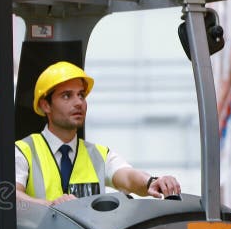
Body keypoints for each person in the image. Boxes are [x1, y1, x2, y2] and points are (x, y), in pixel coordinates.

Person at [15, 61, 181, 206]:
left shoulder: (100, 155)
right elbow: (13, 198)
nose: (79, 102)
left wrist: (151, 182)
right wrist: (51, 205)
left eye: (81, 95)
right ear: (46, 106)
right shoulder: (24, 151)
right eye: (67, 96)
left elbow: (128, 177)